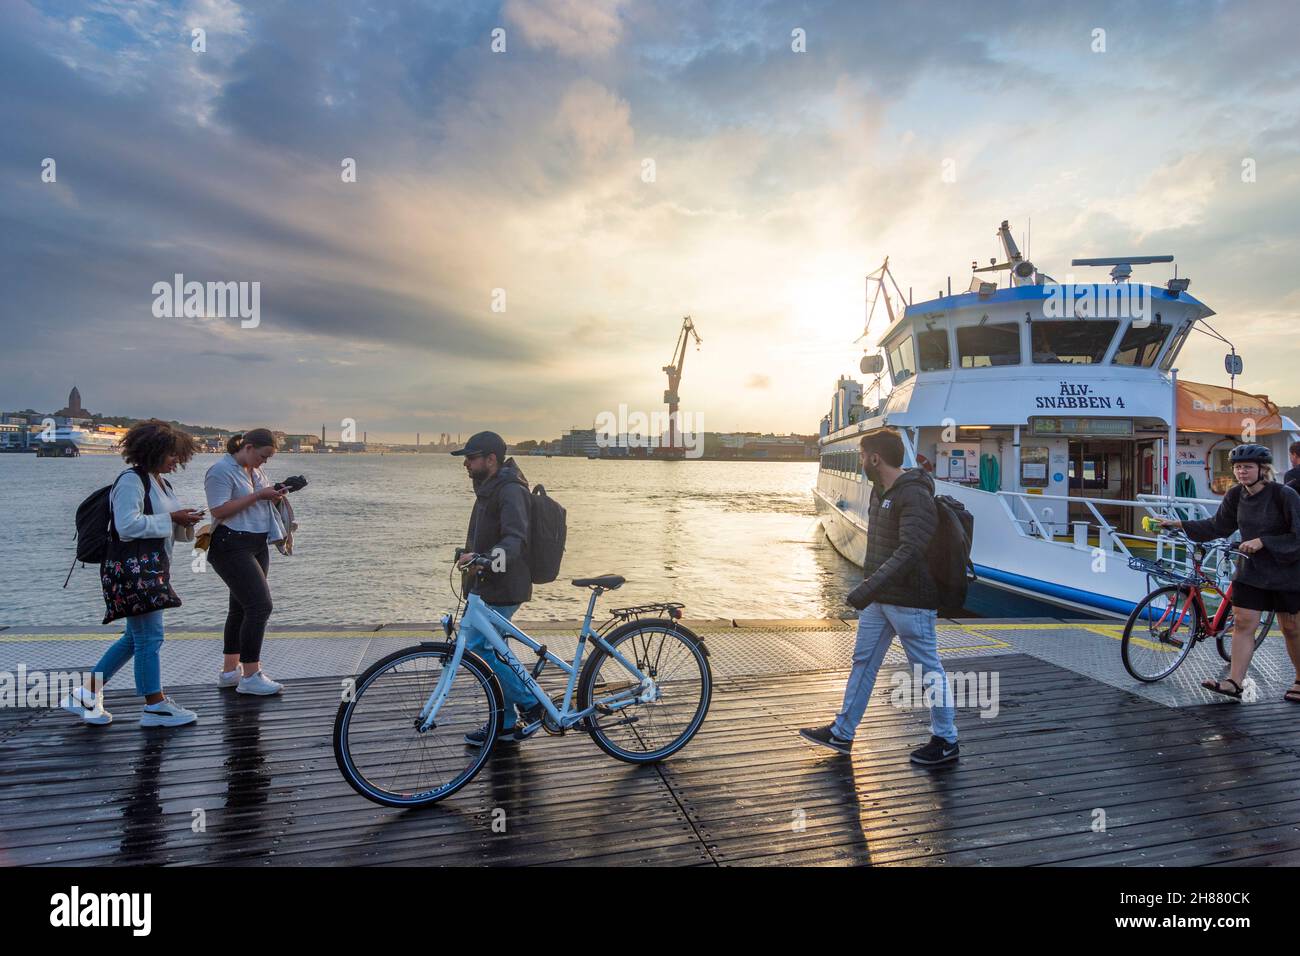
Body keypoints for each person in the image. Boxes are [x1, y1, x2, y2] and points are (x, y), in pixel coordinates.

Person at [800, 428, 960, 764]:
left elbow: (911, 550)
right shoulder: (879, 491)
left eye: (861, 455)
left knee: (928, 669)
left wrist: (866, 588)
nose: (859, 461)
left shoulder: (914, 494)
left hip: (911, 600)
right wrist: (872, 589)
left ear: (875, 458)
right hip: (880, 598)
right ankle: (842, 733)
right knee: (864, 663)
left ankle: (946, 740)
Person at [60, 420, 206, 727]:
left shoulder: (162, 483)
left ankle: (85, 694)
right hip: (133, 572)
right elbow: (126, 527)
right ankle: (155, 706)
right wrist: (172, 517)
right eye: (171, 454)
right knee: (150, 636)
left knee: (133, 637)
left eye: (178, 454)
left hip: (152, 569)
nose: (176, 460)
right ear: (153, 452)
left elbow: (165, 527)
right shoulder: (130, 481)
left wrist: (184, 521)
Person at [1159, 443, 1300, 702]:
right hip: (1251, 569)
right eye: (1237, 468)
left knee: (1291, 628)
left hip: (1286, 572)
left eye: (1247, 467)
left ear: (1263, 469)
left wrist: (1264, 541)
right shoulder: (1236, 495)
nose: (1241, 472)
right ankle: (1234, 682)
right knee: (1244, 624)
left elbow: (1297, 535)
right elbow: (1218, 525)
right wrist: (1181, 524)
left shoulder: (1284, 495)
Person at [452, 430, 542, 745]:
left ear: (491, 459)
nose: (466, 464)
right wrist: (473, 557)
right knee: (493, 651)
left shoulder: (510, 490)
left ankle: (531, 704)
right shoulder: (490, 487)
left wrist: (487, 559)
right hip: (486, 582)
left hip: (504, 584)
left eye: (471, 457)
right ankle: (503, 722)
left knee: (477, 647)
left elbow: (516, 538)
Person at [204, 429, 288, 696]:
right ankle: (251, 675)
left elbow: (258, 501)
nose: (265, 462)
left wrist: (275, 494)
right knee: (260, 606)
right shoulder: (221, 470)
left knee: (240, 608)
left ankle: (230, 672)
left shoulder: (256, 471)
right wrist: (258, 496)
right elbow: (218, 510)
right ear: (248, 447)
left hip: (256, 542)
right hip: (230, 544)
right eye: (263, 456)